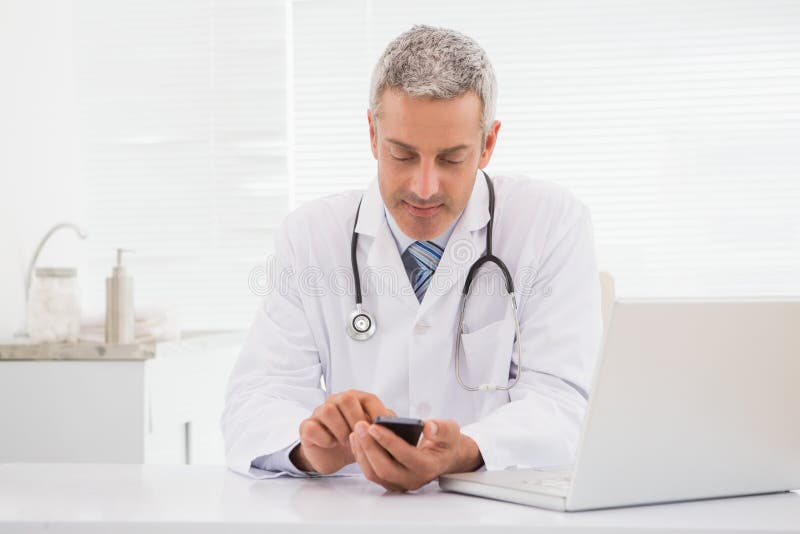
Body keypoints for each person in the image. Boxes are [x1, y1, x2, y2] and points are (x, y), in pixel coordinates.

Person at [221, 25, 601, 492]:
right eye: (402, 155)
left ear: (488, 144)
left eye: (450, 159)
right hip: (355, 512)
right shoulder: (310, 236)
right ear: (372, 134)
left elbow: (568, 402)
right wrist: (308, 447)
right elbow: (256, 398)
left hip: (496, 511)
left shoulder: (549, 223)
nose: (424, 187)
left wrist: (468, 451)